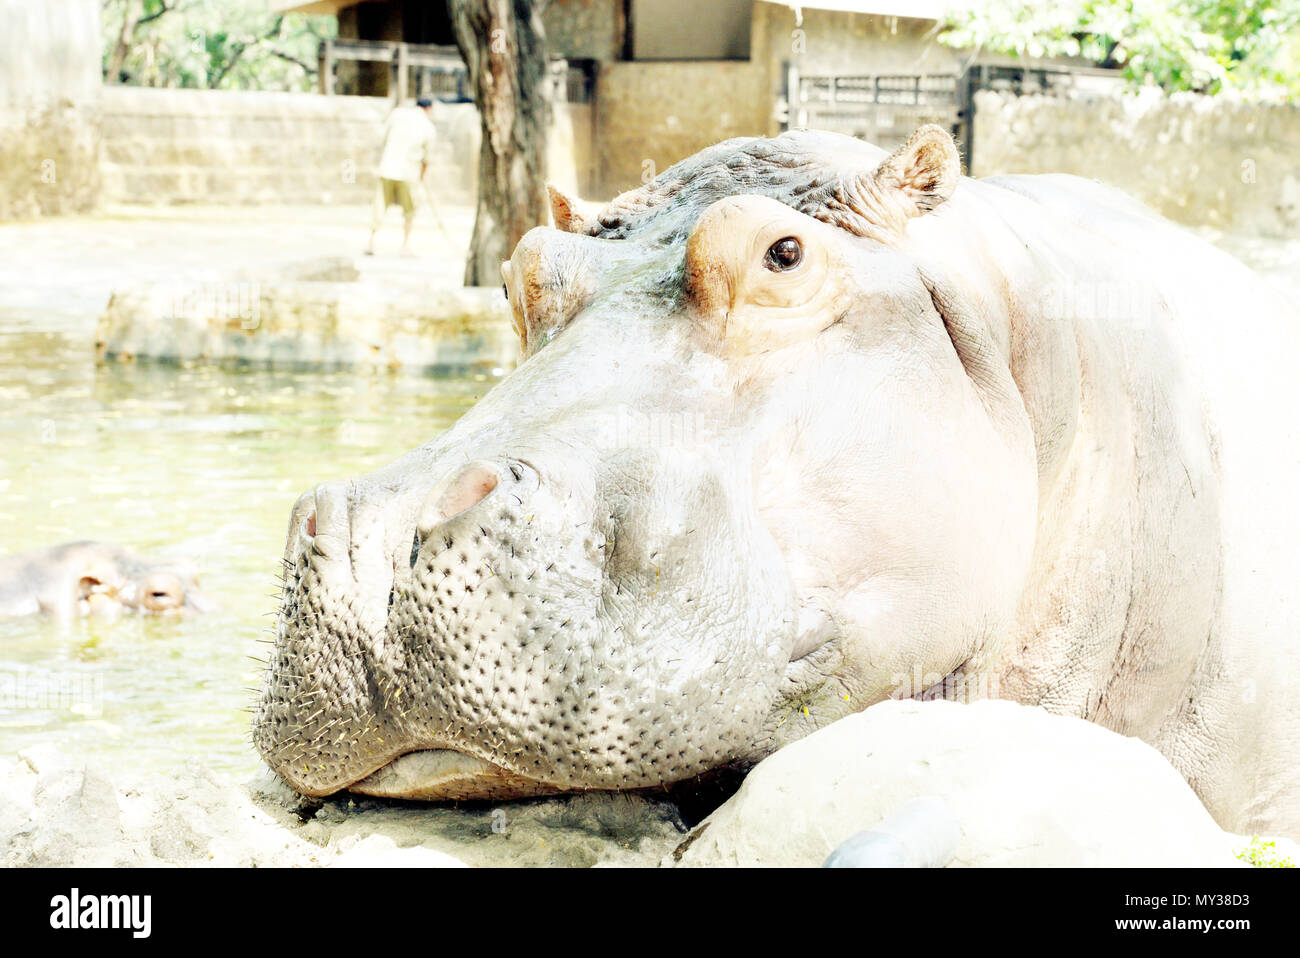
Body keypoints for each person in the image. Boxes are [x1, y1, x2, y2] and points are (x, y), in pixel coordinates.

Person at [366, 97, 437, 257]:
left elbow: (382, 139)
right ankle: (405, 246)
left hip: (387, 167)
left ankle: (371, 242)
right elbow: (427, 158)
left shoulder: (397, 115)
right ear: (428, 109)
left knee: (379, 207)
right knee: (409, 210)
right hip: (409, 172)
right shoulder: (428, 127)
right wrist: (422, 177)